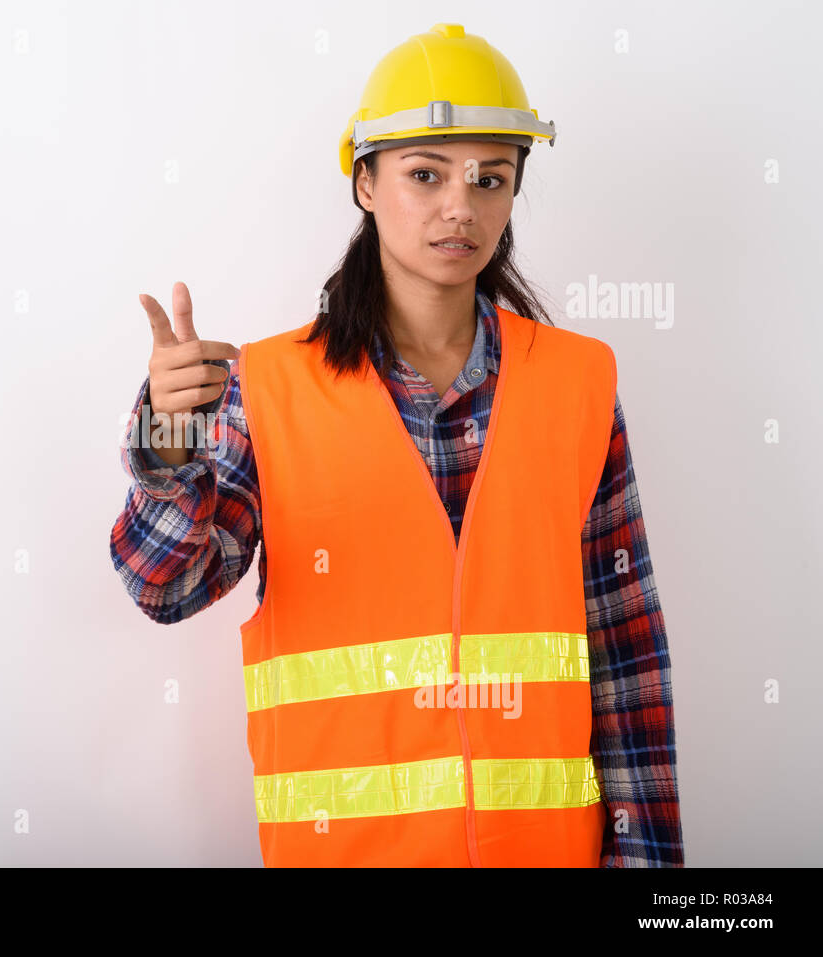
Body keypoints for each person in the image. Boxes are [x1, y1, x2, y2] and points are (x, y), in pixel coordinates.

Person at [110, 23, 682, 868]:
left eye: (492, 177)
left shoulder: (579, 381)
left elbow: (625, 650)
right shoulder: (268, 388)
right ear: (366, 184)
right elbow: (167, 585)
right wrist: (170, 433)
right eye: (427, 174)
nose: (462, 205)